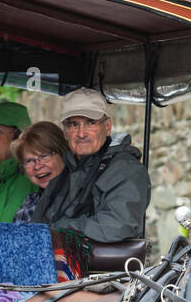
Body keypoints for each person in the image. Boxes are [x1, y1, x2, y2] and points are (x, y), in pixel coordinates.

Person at [31, 88, 150, 242]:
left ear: (107, 127)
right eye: (74, 124)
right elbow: (36, 225)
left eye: (90, 123)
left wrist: (58, 230)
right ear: (65, 131)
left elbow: (118, 225)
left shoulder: (126, 169)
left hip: (106, 266)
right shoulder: (64, 171)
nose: (81, 134)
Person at [10, 122, 68, 223]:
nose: (37, 166)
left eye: (44, 156)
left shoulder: (81, 198)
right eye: (29, 161)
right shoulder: (29, 206)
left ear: (63, 153)